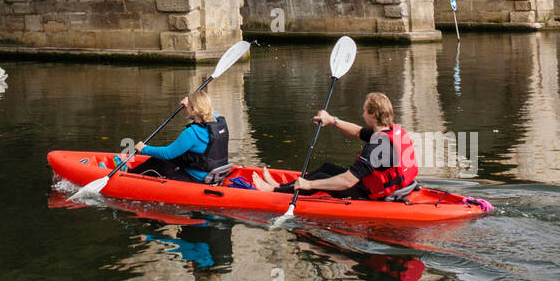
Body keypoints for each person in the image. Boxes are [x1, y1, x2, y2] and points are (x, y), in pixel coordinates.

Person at [251, 92, 417, 200]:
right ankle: (281, 186)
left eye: (365, 111)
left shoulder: (376, 148)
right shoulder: (388, 132)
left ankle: (274, 193)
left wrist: (309, 184)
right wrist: (332, 120)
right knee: (327, 167)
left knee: (321, 178)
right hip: (400, 187)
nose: (362, 114)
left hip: (371, 195)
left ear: (373, 114)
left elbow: (346, 182)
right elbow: (358, 132)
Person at [119, 91, 228, 183]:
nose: (187, 109)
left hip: (197, 178)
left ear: (194, 110)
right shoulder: (219, 121)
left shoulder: (192, 133)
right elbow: (207, 111)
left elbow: (167, 154)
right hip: (215, 173)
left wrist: (144, 148)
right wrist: (190, 103)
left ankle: (127, 175)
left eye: (189, 107)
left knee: (156, 162)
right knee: (179, 157)